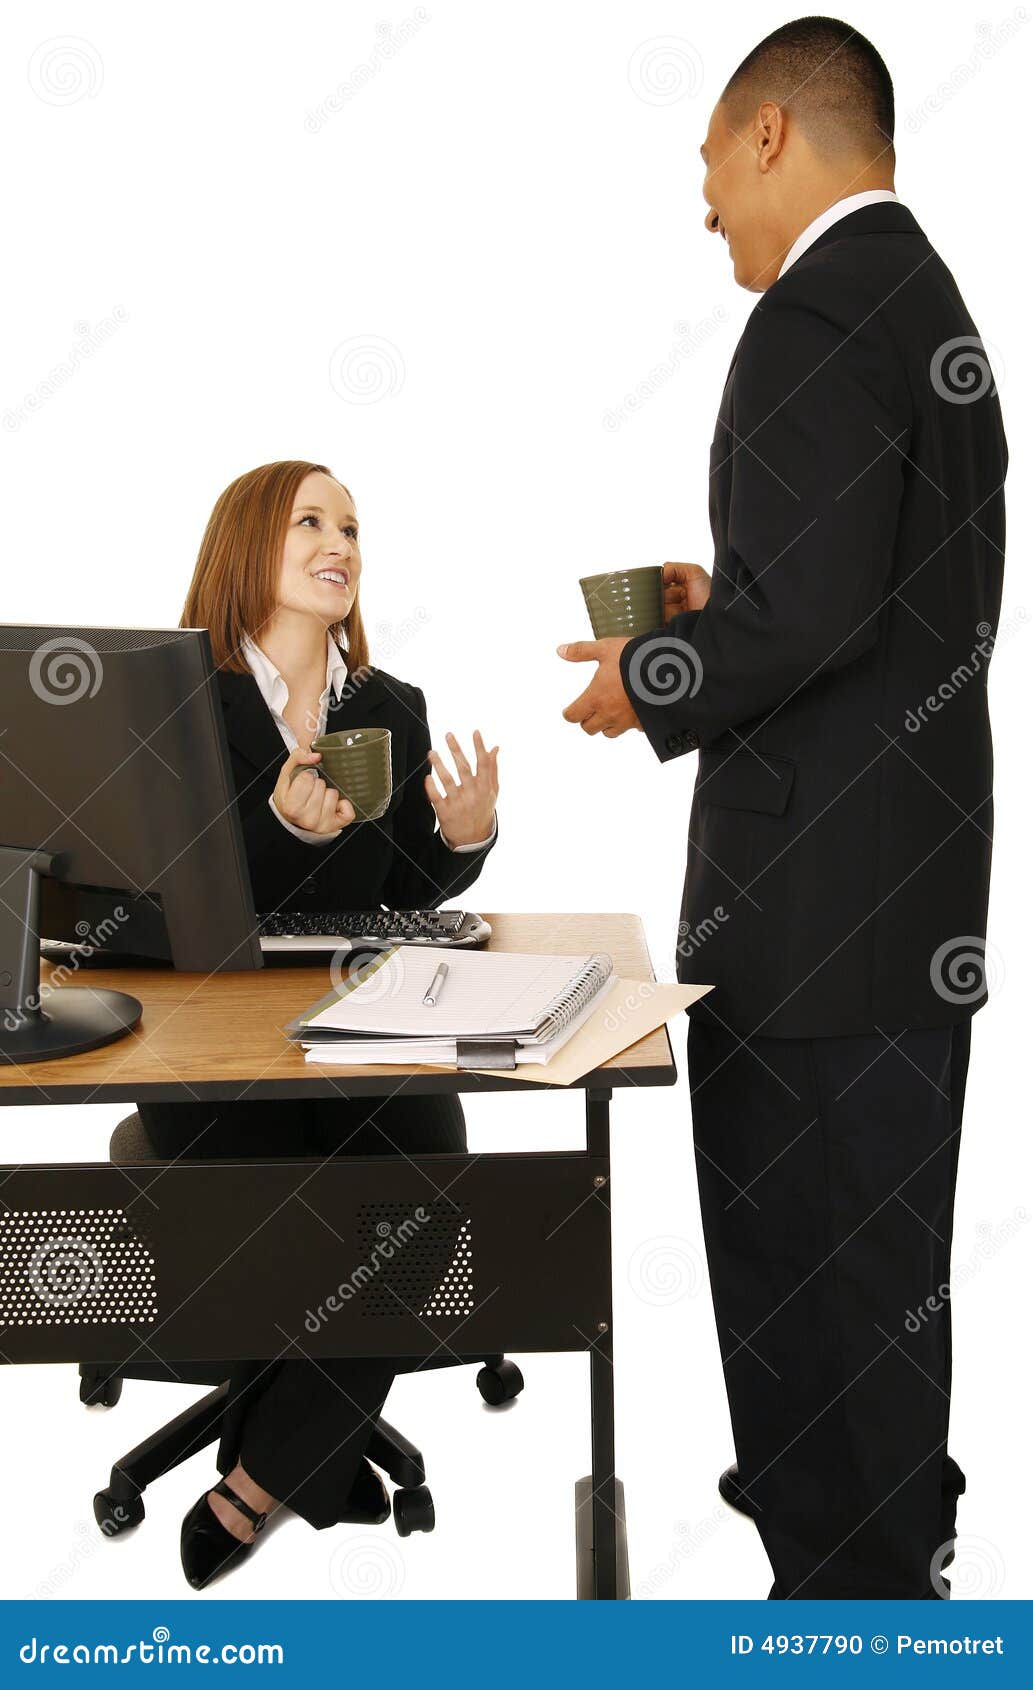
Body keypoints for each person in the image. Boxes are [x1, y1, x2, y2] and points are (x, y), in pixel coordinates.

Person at [557, 17, 1006, 1599]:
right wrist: (719, 595)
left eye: (705, 165)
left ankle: (848, 1606)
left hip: (813, 919)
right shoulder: (921, 301)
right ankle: (889, 1570)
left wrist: (652, 672)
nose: (702, 204)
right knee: (876, 1268)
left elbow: (808, 618)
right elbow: (858, 598)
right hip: (900, 894)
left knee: (807, 1279)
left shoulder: (817, 313)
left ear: (768, 135)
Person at [136, 458, 499, 1588]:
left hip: (369, 1039)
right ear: (249, 543)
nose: (338, 541)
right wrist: (280, 844)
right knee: (276, 1220)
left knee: (428, 1209)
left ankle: (264, 1474)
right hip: (216, 1053)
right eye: (310, 520)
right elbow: (156, 896)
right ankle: (306, 1460)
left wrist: (467, 837)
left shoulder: (389, 708)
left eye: (350, 525)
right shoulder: (177, 698)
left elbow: (405, 888)